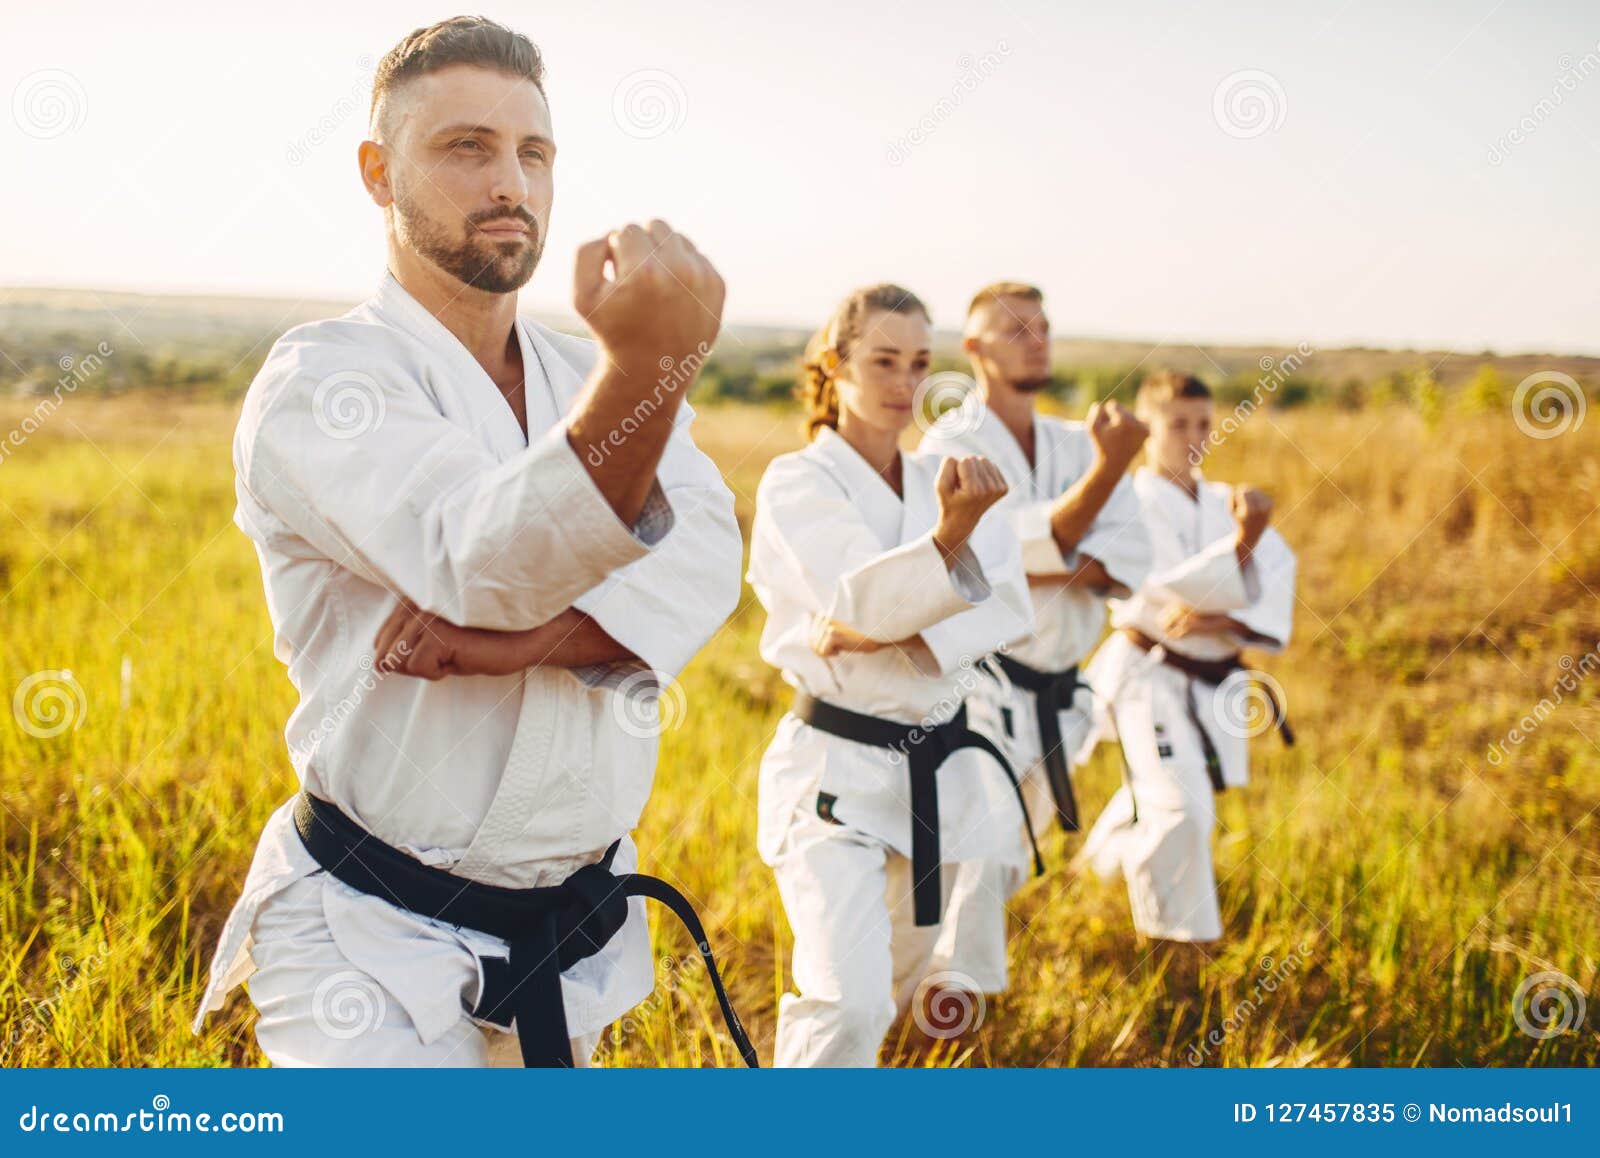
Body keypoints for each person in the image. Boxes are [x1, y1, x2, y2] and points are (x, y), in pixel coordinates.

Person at [192, 16, 751, 1068]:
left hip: (559, 949)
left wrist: (536, 646)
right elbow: (476, 563)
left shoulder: (575, 373)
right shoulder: (323, 383)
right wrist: (646, 375)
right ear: (376, 171)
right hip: (368, 943)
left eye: (532, 152)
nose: (511, 182)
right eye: (466, 147)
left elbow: (709, 551)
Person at [747, 283, 1033, 1067]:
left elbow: (1006, 604)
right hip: (834, 771)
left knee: (901, 992)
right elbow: (858, 599)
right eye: (881, 360)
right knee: (849, 999)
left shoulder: (947, 470)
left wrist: (891, 622)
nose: (904, 384)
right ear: (833, 365)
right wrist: (945, 549)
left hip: (933, 771)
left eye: (918, 363)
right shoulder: (797, 480)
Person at [919, 282, 1152, 994]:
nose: (1036, 338)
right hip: (982, 684)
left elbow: (1132, 560)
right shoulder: (952, 440)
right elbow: (989, 557)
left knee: (1016, 851)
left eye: (1043, 326)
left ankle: (935, 984)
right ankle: (953, 1009)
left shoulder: (1076, 441)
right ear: (975, 347)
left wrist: (1046, 551)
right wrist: (1108, 476)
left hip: (1062, 686)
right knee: (983, 845)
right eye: (1015, 327)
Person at [1078, 370, 1296, 942]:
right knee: (1183, 811)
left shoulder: (1225, 501)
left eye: (1203, 423)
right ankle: (1174, 944)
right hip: (1149, 676)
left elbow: (1276, 577)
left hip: (1211, 680)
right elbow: (1158, 585)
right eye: (1177, 424)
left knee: (1156, 790)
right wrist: (1242, 544)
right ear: (1148, 427)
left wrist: (1222, 615)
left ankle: (1092, 874)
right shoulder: (1127, 500)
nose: (1193, 436)